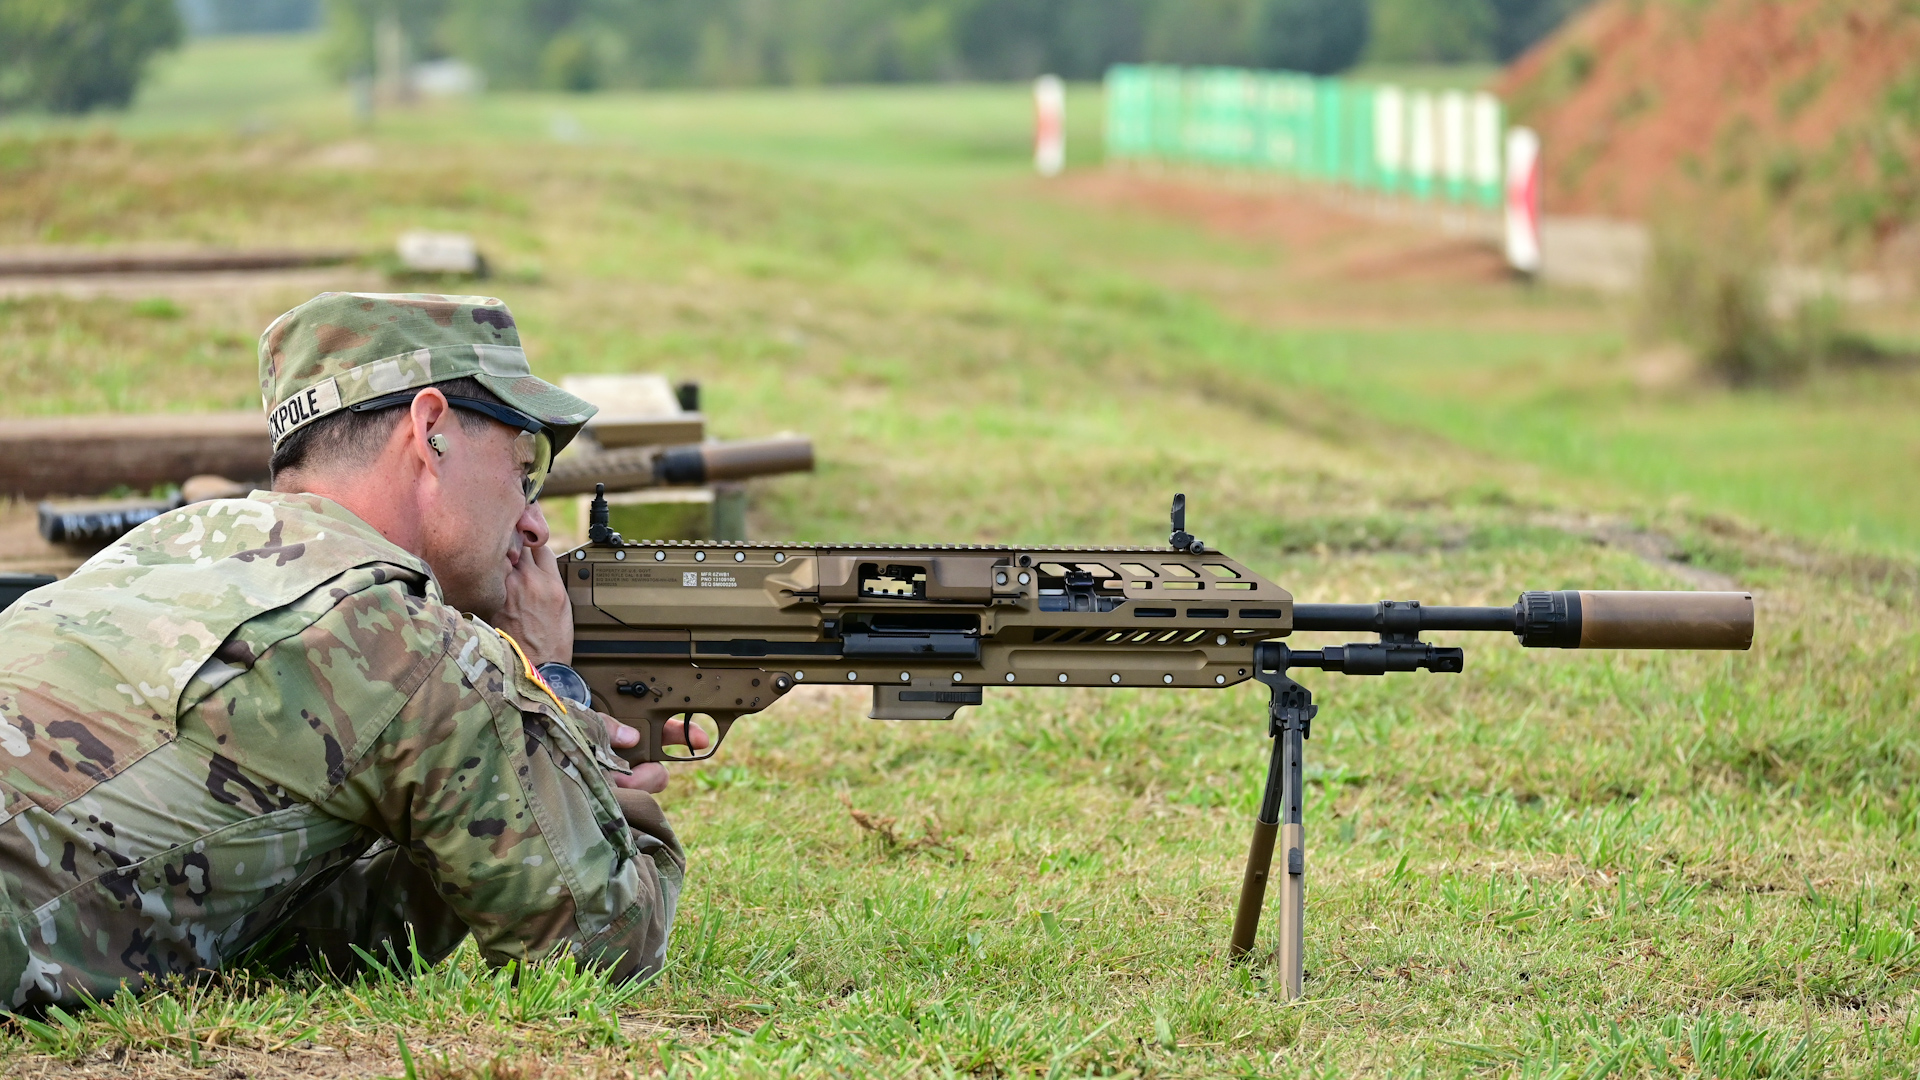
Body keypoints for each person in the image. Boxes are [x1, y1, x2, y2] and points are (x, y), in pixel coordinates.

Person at [0, 292, 697, 1011]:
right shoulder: (393, 637)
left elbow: (287, 932)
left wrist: (509, 752)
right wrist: (555, 708)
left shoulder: (163, 547)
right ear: (431, 432)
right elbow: (598, 944)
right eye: (526, 465)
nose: (534, 522)